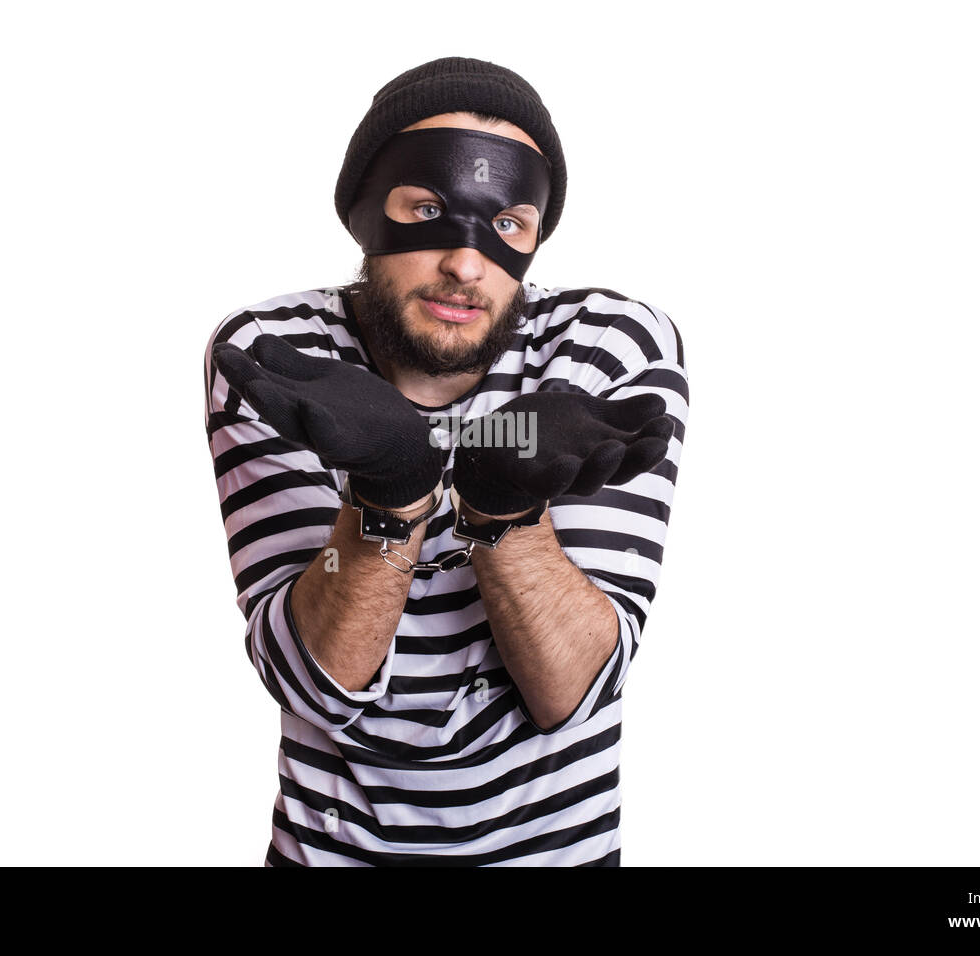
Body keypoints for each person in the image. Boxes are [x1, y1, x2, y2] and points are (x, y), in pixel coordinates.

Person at [202, 56, 689, 866]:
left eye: (507, 225)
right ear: (364, 211)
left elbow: (573, 692)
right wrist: (389, 494)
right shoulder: (278, 355)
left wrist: (504, 509)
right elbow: (313, 681)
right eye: (429, 208)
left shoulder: (606, 349)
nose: (467, 264)